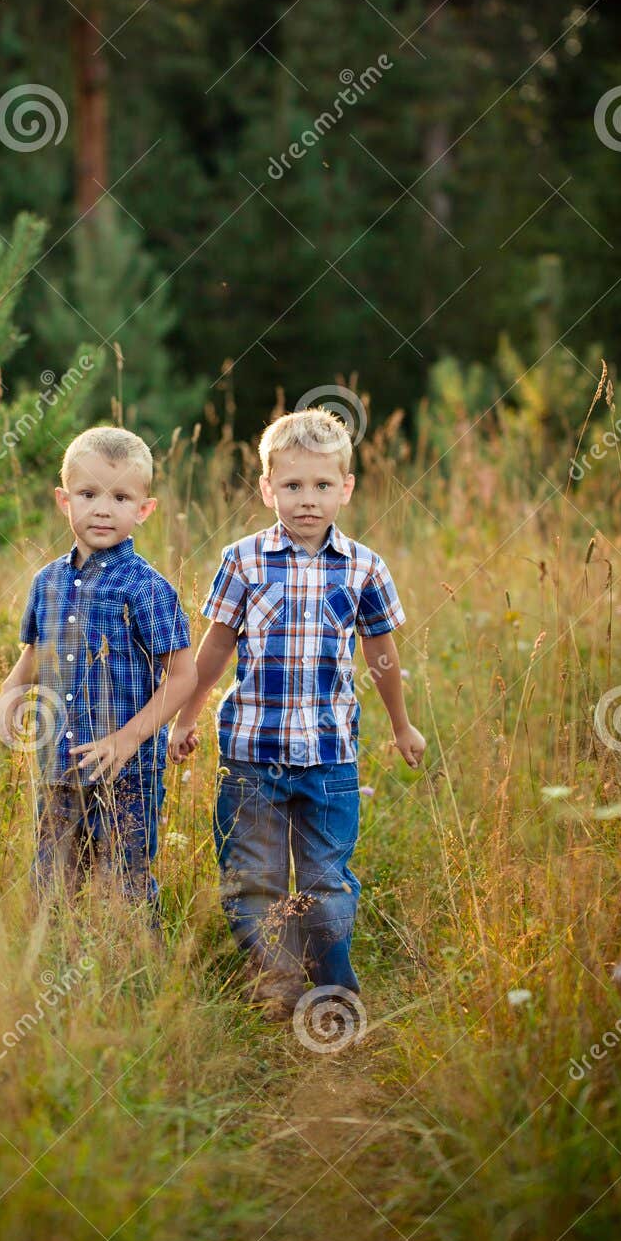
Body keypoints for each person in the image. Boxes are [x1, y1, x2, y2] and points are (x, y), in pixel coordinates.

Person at [169, 407, 425, 1016]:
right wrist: (185, 718)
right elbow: (215, 647)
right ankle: (276, 984)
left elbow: (381, 651)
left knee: (325, 882)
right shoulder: (244, 560)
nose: (307, 500)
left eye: (321, 486)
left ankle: (332, 988)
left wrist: (401, 723)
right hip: (252, 751)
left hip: (330, 755)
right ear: (267, 488)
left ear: (346, 488)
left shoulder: (364, 566)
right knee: (253, 877)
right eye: (292, 485)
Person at [0, 426, 195, 929]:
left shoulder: (146, 588)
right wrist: (7, 697)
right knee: (52, 881)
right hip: (57, 762)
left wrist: (129, 740)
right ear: (65, 501)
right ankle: (55, 975)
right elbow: (35, 654)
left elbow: (183, 675)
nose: (103, 509)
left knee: (124, 884)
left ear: (143, 509)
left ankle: (137, 978)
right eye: (88, 494)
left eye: (120, 497)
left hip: (127, 772)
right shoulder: (48, 581)